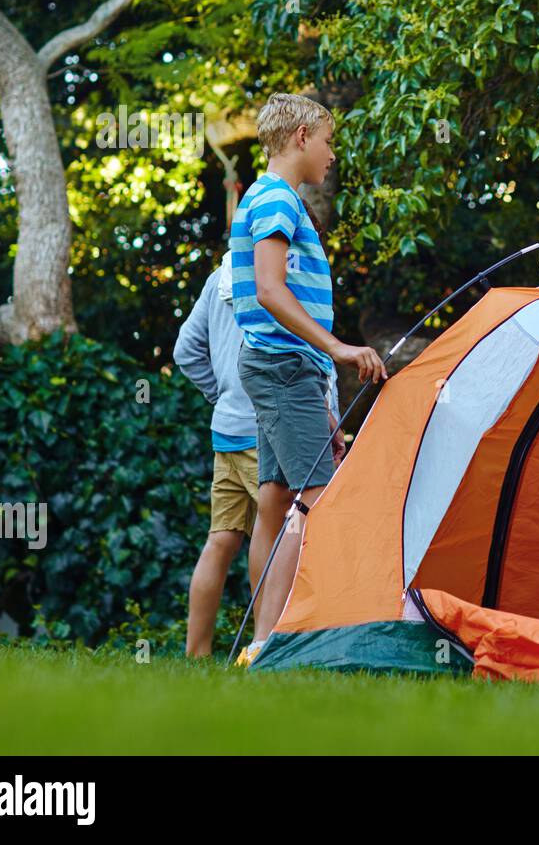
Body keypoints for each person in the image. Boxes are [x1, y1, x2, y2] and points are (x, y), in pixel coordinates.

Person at [228, 93, 383, 666]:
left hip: (289, 371)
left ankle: (261, 645)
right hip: (283, 368)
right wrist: (338, 349)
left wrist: (322, 404)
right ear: (300, 137)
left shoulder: (274, 198)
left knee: (276, 500)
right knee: (319, 502)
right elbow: (270, 290)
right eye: (327, 141)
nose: (332, 154)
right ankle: (291, 640)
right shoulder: (275, 198)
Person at [174, 252, 342, 658]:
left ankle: (196, 653)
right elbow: (307, 349)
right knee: (284, 526)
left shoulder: (220, 277)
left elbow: (185, 350)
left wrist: (222, 395)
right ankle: (263, 644)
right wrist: (329, 412)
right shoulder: (284, 275)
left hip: (225, 430)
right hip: (268, 422)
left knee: (220, 540)